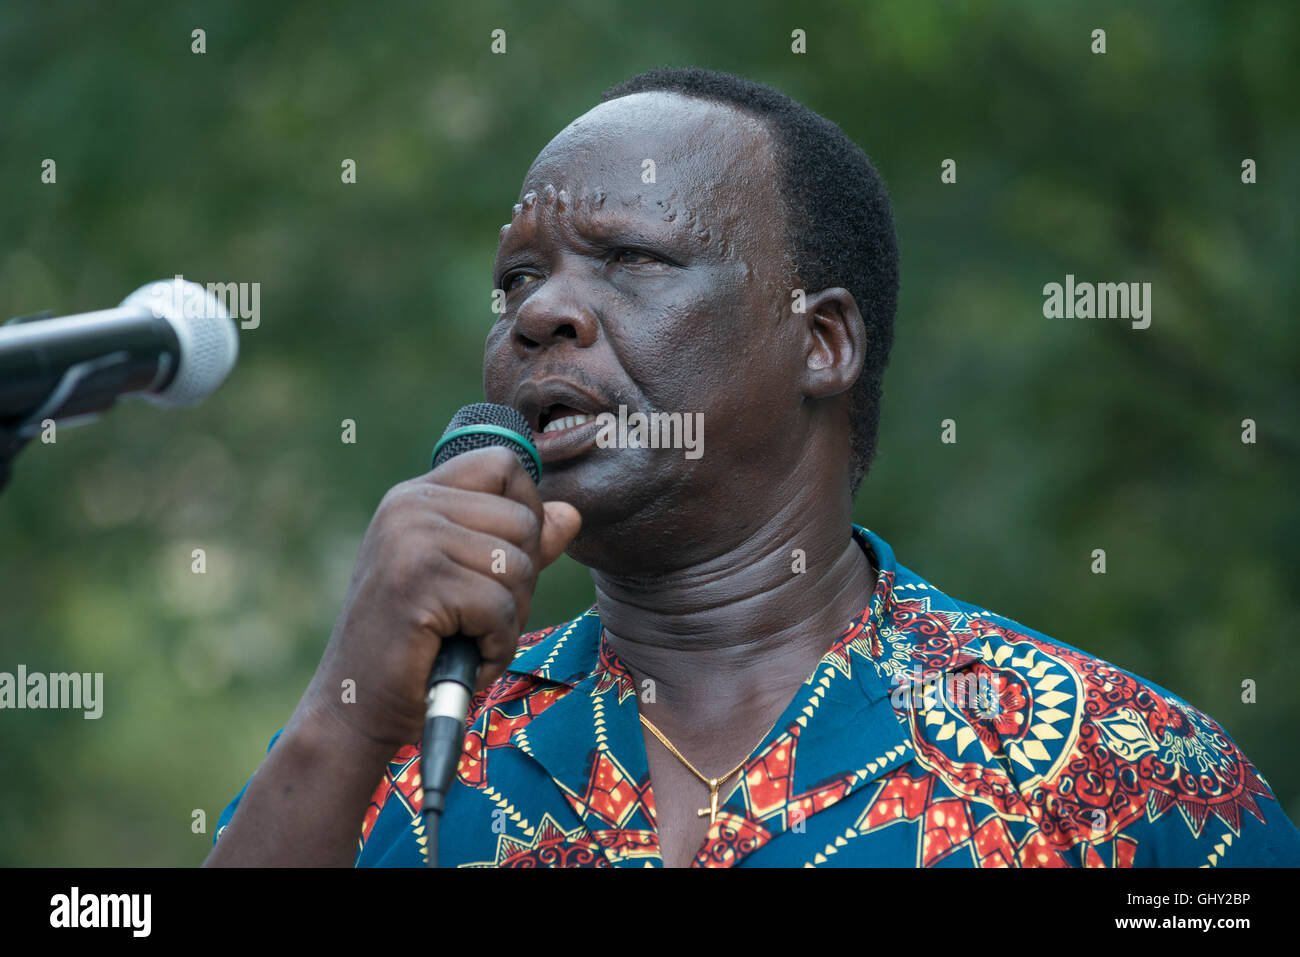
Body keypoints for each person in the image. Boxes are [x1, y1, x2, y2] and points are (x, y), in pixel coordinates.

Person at [205, 67, 1300, 868]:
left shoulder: (1125, 780)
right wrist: (343, 718)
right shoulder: (395, 754)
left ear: (820, 343)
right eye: (516, 283)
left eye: (631, 258)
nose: (539, 312)